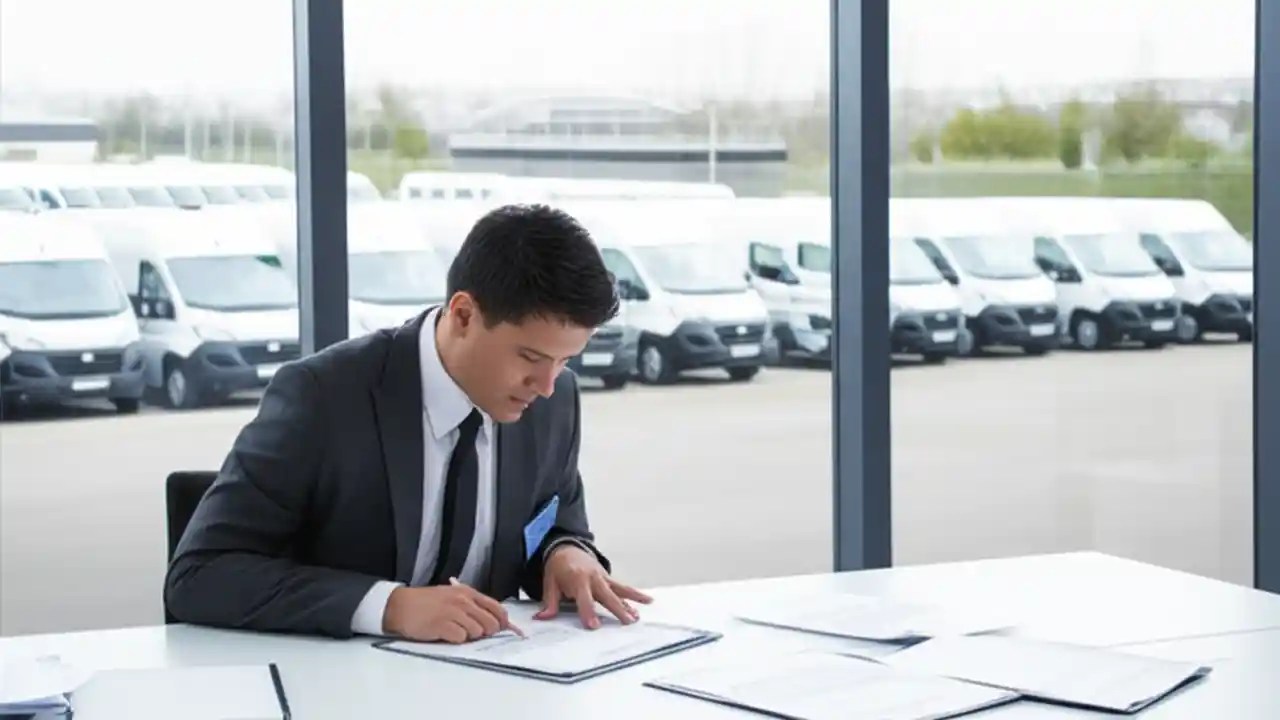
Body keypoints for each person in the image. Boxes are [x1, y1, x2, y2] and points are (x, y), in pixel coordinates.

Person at [165, 203, 652, 644]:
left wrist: (565, 554)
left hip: (500, 685)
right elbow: (200, 574)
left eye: (565, 361)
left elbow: (555, 520)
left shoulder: (554, 400)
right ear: (463, 315)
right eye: (530, 356)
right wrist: (389, 606)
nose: (546, 384)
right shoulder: (323, 396)